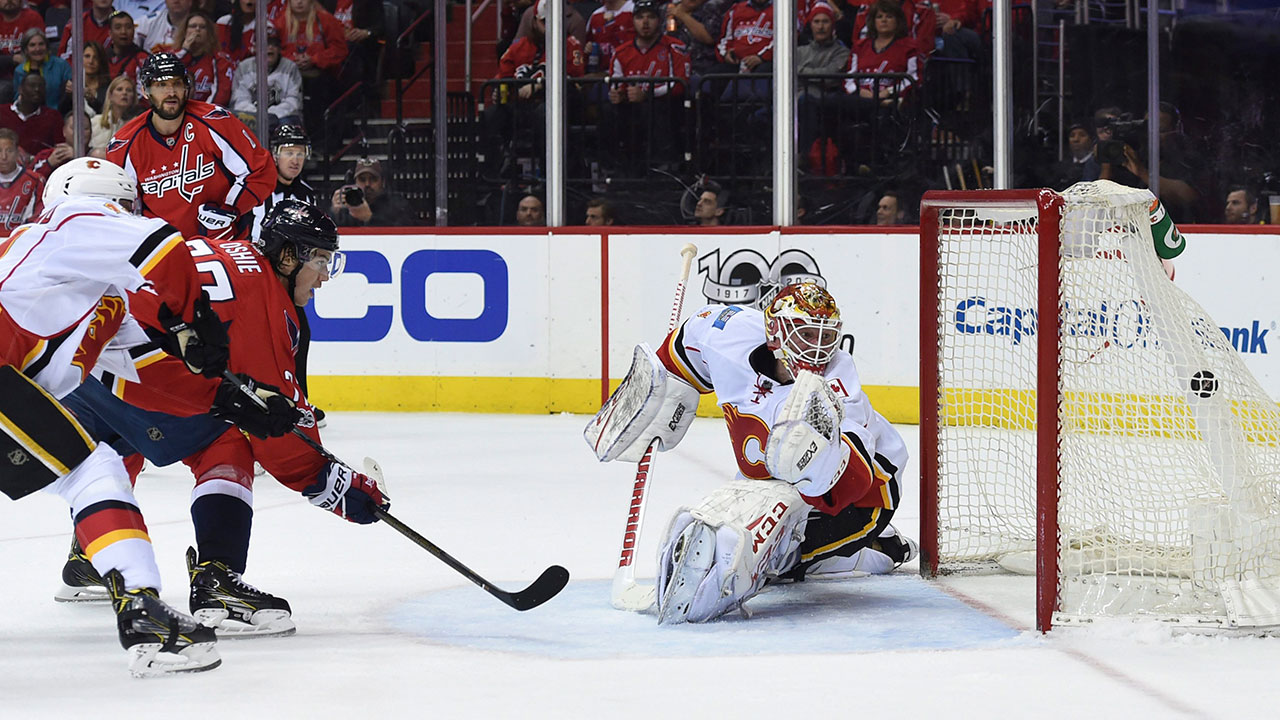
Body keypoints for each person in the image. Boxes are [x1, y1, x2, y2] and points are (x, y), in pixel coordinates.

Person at [55, 200, 386, 639]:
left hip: (71, 362)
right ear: (288, 257)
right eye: (321, 259)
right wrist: (337, 486)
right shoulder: (266, 300)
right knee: (225, 436)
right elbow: (280, 433)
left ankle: (88, 554)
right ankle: (218, 578)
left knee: (120, 444)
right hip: (124, 367)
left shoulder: (229, 252)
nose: (325, 275)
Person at [0, 157, 236, 675]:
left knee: (91, 469)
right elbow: (162, 245)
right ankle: (139, 605)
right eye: (124, 204)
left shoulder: (91, 291)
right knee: (92, 470)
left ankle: (138, 602)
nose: (128, 212)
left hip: (7, 384)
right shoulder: (68, 225)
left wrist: (229, 394)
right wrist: (194, 311)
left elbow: (146, 369)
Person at [588, 282, 915, 624]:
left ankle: (883, 547)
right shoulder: (727, 331)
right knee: (736, 534)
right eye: (806, 335)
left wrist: (815, 462)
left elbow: (851, 485)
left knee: (772, 556)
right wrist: (658, 393)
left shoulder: (836, 383)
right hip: (768, 481)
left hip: (864, 499)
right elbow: (682, 347)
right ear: (774, 333)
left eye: (826, 337)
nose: (818, 350)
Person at [107, 52, 277, 240]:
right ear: (145, 91)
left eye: (177, 84)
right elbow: (120, 209)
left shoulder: (215, 121)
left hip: (225, 244)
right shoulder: (124, 145)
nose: (171, 93)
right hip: (164, 252)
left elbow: (261, 171)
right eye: (161, 85)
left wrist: (231, 209)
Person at [606, 0, 690, 173]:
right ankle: (615, 167)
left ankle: (664, 168)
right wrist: (618, 95)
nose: (645, 22)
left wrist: (647, 94)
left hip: (667, 105)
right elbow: (617, 83)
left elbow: (680, 84)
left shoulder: (673, 47)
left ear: (658, 21)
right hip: (632, 107)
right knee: (608, 111)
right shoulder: (621, 52)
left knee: (653, 109)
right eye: (640, 17)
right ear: (633, 21)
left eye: (651, 17)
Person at [795, 3, 849, 171]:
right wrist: (813, 75)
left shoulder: (842, 52)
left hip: (820, 102)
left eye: (825, 21)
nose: (820, 26)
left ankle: (802, 160)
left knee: (805, 102)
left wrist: (799, 71)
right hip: (793, 100)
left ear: (832, 25)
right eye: (816, 21)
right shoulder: (798, 51)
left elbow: (830, 77)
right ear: (810, 25)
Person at [230, 31, 304, 129]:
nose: (270, 47)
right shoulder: (244, 67)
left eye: (274, 45)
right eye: (265, 44)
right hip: (250, 117)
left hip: (281, 118)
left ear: (279, 49)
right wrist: (258, 116)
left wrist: (270, 116)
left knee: (289, 123)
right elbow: (239, 101)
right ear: (255, 48)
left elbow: (294, 103)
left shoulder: (290, 67)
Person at [329, 157, 415, 226]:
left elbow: (406, 234)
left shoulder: (397, 204)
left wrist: (369, 218)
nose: (367, 184)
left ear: (383, 182)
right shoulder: (346, 205)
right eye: (362, 179)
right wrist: (334, 212)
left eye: (373, 179)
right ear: (355, 182)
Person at [174, 11, 236, 107]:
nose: (197, 29)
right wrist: (185, 50)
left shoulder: (219, 59)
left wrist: (203, 113)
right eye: (193, 26)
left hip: (206, 113)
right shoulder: (176, 56)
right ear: (185, 31)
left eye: (202, 27)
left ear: (209, 33)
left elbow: (222, 94)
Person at [0, 72, 63, 159]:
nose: (37, 89)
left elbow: (60, 148)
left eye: (41, 86)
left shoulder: (53, 116)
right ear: (20, 89)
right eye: (32, 85)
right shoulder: (2, 112)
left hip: (42, 167)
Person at [13, 29, 73, 109]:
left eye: (41, 44)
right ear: (26, 50)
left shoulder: (61, 65)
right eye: (32, 45)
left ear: (47, 47)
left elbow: (72, 89)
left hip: (57, 114)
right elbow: (17, 99)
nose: (37, 49)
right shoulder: (19, 71)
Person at [0, 0, 44, 101]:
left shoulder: (32, 18)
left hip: (26, 74)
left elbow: (38, 52)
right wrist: (12, 59)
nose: (9, 0)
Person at [0, 127, 41, 229]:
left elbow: (35, 221)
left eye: (9, 151)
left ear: (18, 152)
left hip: (21, 241)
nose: (4, 157)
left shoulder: (34, 181)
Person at [89, 75, 140, 156]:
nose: (124, 93)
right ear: (110, 95)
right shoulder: (94, 122)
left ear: (133, 97)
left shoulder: (137, 125)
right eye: (119, 89)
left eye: (129, 90)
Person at [60, 42, 112, 117]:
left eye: (96, 57)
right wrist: (70, 96)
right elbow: (62, 113)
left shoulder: (109, 87)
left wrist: (91, 99)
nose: (91, 61)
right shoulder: (69, 85)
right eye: (87, 56)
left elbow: (107, 113)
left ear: (101, 61)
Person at [105, 11, 149, 80]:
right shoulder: (101, 57)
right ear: (110, 33)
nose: (123, 32)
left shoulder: (143, 59)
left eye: (128, 27)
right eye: (118, 27)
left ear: (134, 31)